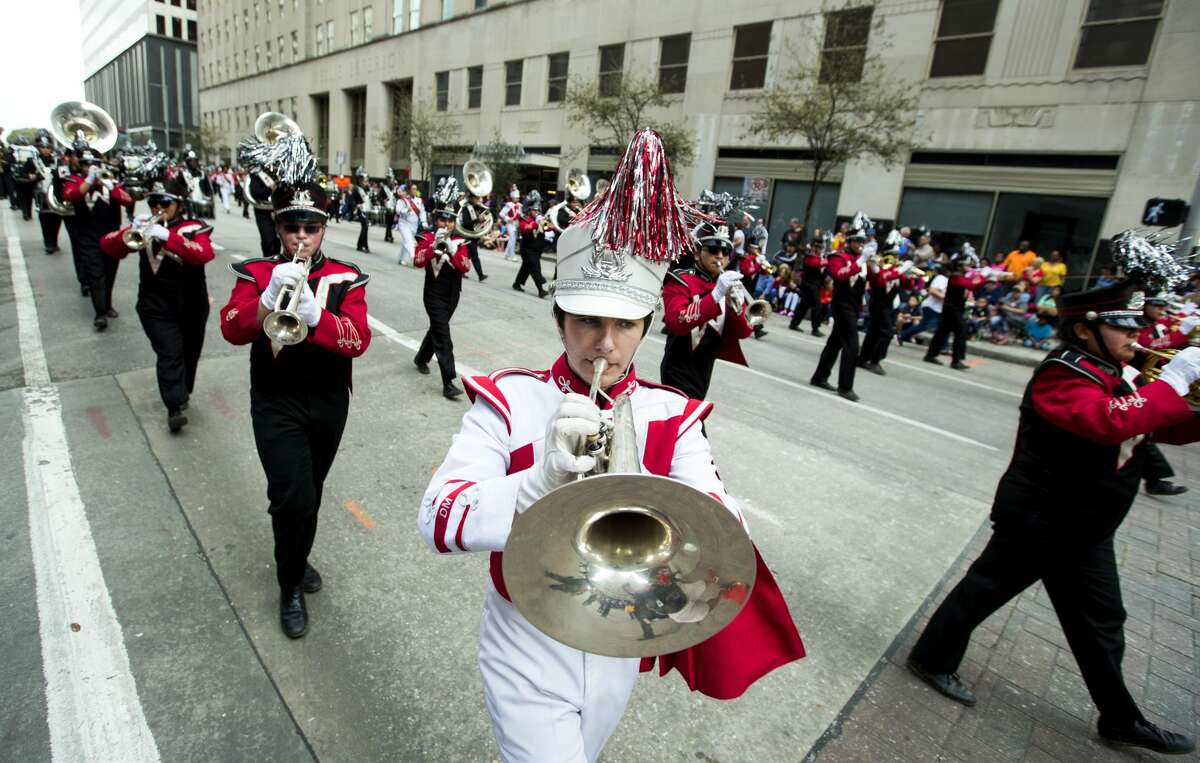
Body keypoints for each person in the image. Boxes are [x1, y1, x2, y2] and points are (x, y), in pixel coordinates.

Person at [418, 129, 804, 763]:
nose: (605, 343)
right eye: (587, 321)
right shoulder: (509, 400)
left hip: (620, 639)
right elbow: (435, 517)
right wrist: (536, 488)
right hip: (526, 637)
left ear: (646, 325)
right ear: (559, 319)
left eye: (624, 324)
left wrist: (693, 522)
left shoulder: (671, 414)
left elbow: (720, 516)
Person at [907, 273, 1200, 756]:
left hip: (1082, 524)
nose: (1136, 336)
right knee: (984, 590)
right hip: (1042, 518)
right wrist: (1171, 382)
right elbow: (1108, 422)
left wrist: (1182, 403)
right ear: (1086, 329)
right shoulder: (1065, 371)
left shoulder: (1114, 369)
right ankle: (931, 658)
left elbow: (1147, 426)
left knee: (1101, 620)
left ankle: (1120, 719)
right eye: (1125, 327)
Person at [220, 176, 371, 639]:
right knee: (291, 495)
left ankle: (296, 554)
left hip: (327, 400)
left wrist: (315, 315)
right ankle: (289, 585)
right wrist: (267, 303)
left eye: (310, 227)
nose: (301, 237)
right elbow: (231, 328)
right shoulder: (257, 273)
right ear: (278, 229)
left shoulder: (345, 277)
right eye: (291, 228)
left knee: (312, 489)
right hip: (274, 397)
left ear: (324, 229)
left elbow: (357, 340)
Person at [100, 175, 213, 432]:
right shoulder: (144, 227)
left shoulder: (195, 227)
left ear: (179, 204)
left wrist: (167, 235)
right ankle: (173, 406)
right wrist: (128, 231)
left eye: (165, 202)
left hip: (192, 305)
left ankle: (182, 392)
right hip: (155, 307)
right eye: (153, 202)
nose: (158, 207)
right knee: (169, 353)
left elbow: (203, 254)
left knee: (189, 353)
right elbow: (108, 247)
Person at [660, 222, 753, 399]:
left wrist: (737, 305)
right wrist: (715, 295)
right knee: (689, 422)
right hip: (678, 365)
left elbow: (744, 331)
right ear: (696, 252)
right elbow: (676, 322)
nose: (719, 256)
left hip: (705, 367)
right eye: (712, 250)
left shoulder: (728, 286)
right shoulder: (681, 280)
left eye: (725, 252)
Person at [62, 142, 133, 330]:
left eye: (94, 164)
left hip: (111, 235)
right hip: (88, 235)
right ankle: (99, 313)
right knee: (95, 273)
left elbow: (128, 200)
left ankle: (107, 304)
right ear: (81, 166)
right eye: (86, 164)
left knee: (110, 272)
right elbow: (70, 196)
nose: (91, 168)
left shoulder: (111, 181)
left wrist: (112, 187)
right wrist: (89, 180)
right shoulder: (74, 180)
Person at [413, 178, 472, 399]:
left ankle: (421, 358)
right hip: (433, 294)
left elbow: (465, 267)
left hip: (452, 294)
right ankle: (449, 381)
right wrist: (431, 247)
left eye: (449, 220)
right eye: (441, 219)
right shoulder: (426, 236)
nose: (445, 224)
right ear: (435, 219)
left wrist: (453, 250)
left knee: (438, 329)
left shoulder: (461, 241)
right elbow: (417, 261)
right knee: (443, 335)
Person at [1135, 293, 1197, 497]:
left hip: (1151, 380)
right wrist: (1183, 333)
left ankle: (1155, 478)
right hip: (1136, 378)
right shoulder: (1137, 322)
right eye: (1158, 306)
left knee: (1142, 434)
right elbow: (1148, 346)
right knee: (1139, 433)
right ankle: (1155, 478)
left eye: (1164, 306)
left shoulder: (1158, 323)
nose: (1163, 310)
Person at [810, 218, 869, 401]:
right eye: (858, 241)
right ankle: (845, 386)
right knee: (852, 346)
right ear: (849, 241)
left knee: (835, 343)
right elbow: (838, 276)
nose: (860, 244)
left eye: (862, 241)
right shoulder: (837, 257)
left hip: (854, 306)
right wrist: (861, 262)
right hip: (842, 305)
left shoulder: (860, 259)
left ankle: (819, 377)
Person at [924, 251, 986, 370]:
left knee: (942, 332)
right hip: (952, 309)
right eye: (967, 265)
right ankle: (956, 361)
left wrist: (983, 277)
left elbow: (974, 286)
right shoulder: (955, 277)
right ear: (959, 266)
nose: (969, 267)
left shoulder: (961, 277)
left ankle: (931, 355)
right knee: (961, 332)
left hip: (955, 308)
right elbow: (972, 285)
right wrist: (983, 276)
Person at [860, 255, 912, 375]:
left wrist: (908, 274)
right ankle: (875, 361)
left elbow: (908, 286)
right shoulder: (881, 272)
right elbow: (882, 279)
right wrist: (901, 269)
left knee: (874, 332)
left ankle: (863, 358)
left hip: (888, 306)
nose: (895, 261)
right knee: (887, 332)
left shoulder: (897, 274)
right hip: (878, 304)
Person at [788, 236, 826, 335]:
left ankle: (794, 323)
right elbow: (816, 264)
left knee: (804, 305)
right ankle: (815, 329)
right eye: (817, 247)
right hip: (810, 285)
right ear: (813, 247)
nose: (819, 249)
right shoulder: (809, 256)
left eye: (820, 248)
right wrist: (824, 261)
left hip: (814, 285)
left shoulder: (818, 257)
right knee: (816, 306)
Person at [513, 193, 548, 298]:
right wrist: (535, 223)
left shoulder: (540, 218)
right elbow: (525, 229)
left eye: (538, 210)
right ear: (529, 210)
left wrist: (545, 222)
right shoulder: (523, 218)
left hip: (537, 248)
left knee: (526, 267)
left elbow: (547, 228)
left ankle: (517, 283)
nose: (536, 212)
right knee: (535, 268)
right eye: (534, 210)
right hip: (528, 248)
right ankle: (541, 290)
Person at [899, 267, 947, 345]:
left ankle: (943, 347)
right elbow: (931, 291)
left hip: (937, 307)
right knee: (925, 325)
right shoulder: (941, 278)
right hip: (932, 307)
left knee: (941, 326)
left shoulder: (940, 279)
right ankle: (903, 335)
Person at [395, 183, 421, 266]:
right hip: (404, 224)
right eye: (402, 192)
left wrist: (424, 222)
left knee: (405, 242)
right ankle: (414, 258)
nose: (403, 193)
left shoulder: (414, 200)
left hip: (413, 225)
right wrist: (406, 210)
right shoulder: (400, 201)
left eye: (404, 192)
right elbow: (398, 211)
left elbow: (420, 211)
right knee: (410, 242)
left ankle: (401, 258)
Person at [350, 167, 371, 253]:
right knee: (365, 227)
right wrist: (356, 205)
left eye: (365, 180)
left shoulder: (366, 189)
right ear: (359, 180)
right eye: (362, 179)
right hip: (361, 210)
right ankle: (365, 246)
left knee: (365, 228)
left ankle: (359, 245)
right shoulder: (356, 189)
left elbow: (369, 198)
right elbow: (351, 200)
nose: (364, 181)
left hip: (367, 209)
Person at [500, 185, 521, 262]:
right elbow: (501, 214)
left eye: (518, 197)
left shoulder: (519, 205)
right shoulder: (508, 205)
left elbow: (520, 214)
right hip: (510, 224)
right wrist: (509, 219)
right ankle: (512, 255)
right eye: (516, 197)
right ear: (512, 197)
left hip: (516, 224)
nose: (517, 199)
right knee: (512, 238)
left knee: (513, 239)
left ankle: (506, 254)